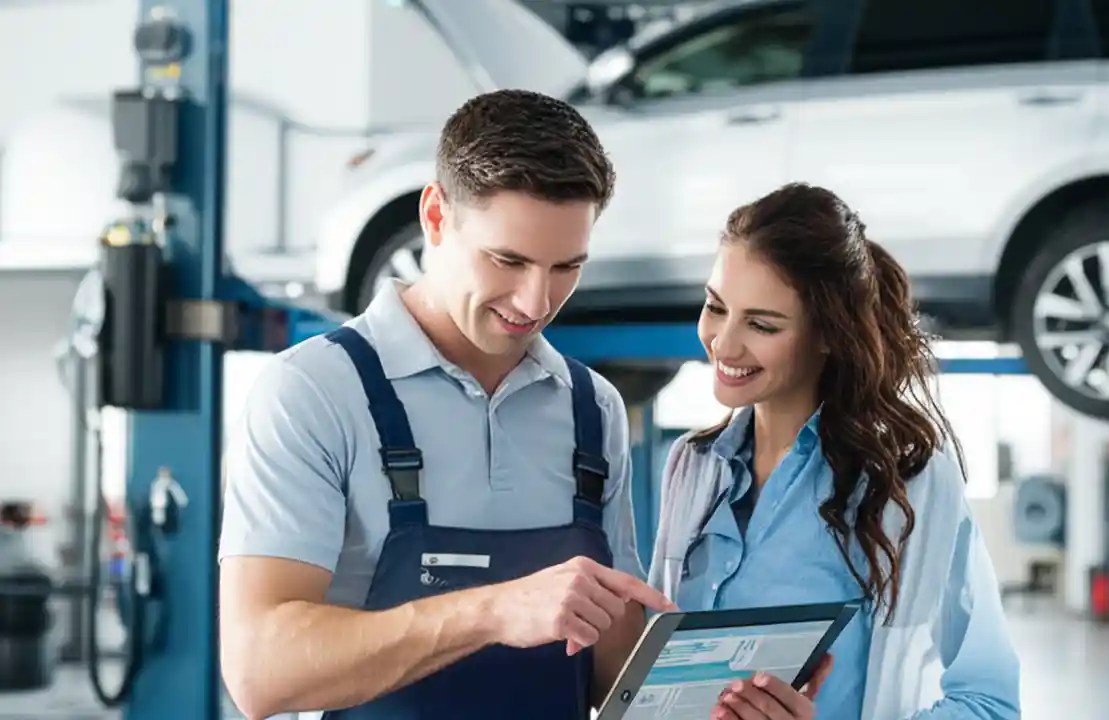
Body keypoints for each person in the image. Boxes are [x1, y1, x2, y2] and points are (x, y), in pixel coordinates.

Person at [217, 89, 675, 720]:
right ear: (435, 216)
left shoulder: (593, 409)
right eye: (507, 260)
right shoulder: (313, 391)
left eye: (566, 267)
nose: (537, 301)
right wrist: (492, 610)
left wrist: (722, 692)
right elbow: (261, 673)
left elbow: (615, 674)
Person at [648, 183, 1021, 720]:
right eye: (716, 307)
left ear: (827, 334)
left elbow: (990, 704)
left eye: (761, 324)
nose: (723, 344)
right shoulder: (692, 464)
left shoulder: (905, 481)